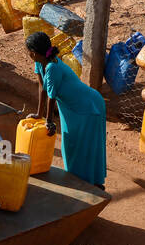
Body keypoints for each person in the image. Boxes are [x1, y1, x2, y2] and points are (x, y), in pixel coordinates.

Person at [23, 31, 107, 189]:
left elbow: (51, 96)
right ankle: (79, 182)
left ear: (33, 52)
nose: (28, 54)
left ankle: (93, 184)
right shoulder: (39, 62)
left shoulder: (53, 67)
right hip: (71, 107)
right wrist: (39, 115)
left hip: (87, 106)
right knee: (71, 145)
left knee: (86, 145)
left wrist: (49, 121)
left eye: (28, 51)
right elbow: (42, 88)